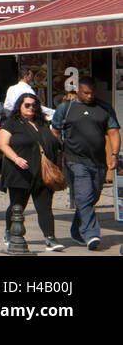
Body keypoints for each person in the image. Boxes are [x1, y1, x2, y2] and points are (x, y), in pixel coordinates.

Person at [51, 75, 120, 250]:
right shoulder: (65, 108)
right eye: (86, 93)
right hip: (74, 160)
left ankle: (76, 230)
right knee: (83, 195)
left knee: (92, 197)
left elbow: (113, 132)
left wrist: (114, 154)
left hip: (98, 162)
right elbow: (55, 131)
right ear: (77, 91)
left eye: (92, 93)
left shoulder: (104, 108)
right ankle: (91, 234)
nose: (90, 96)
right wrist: (55, 155)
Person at [0, 92, 64, 251]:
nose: (31, 108)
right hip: (20, 173)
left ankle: (50, 238)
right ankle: (10, 232)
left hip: (42, 172)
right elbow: (3, 144)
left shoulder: (42, 124)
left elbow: (53, 143)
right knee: (17, 205)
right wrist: (16, 159)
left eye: (34, 105)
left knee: (45, 207)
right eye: (27, 105)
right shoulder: (12, 123)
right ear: (20, 106)